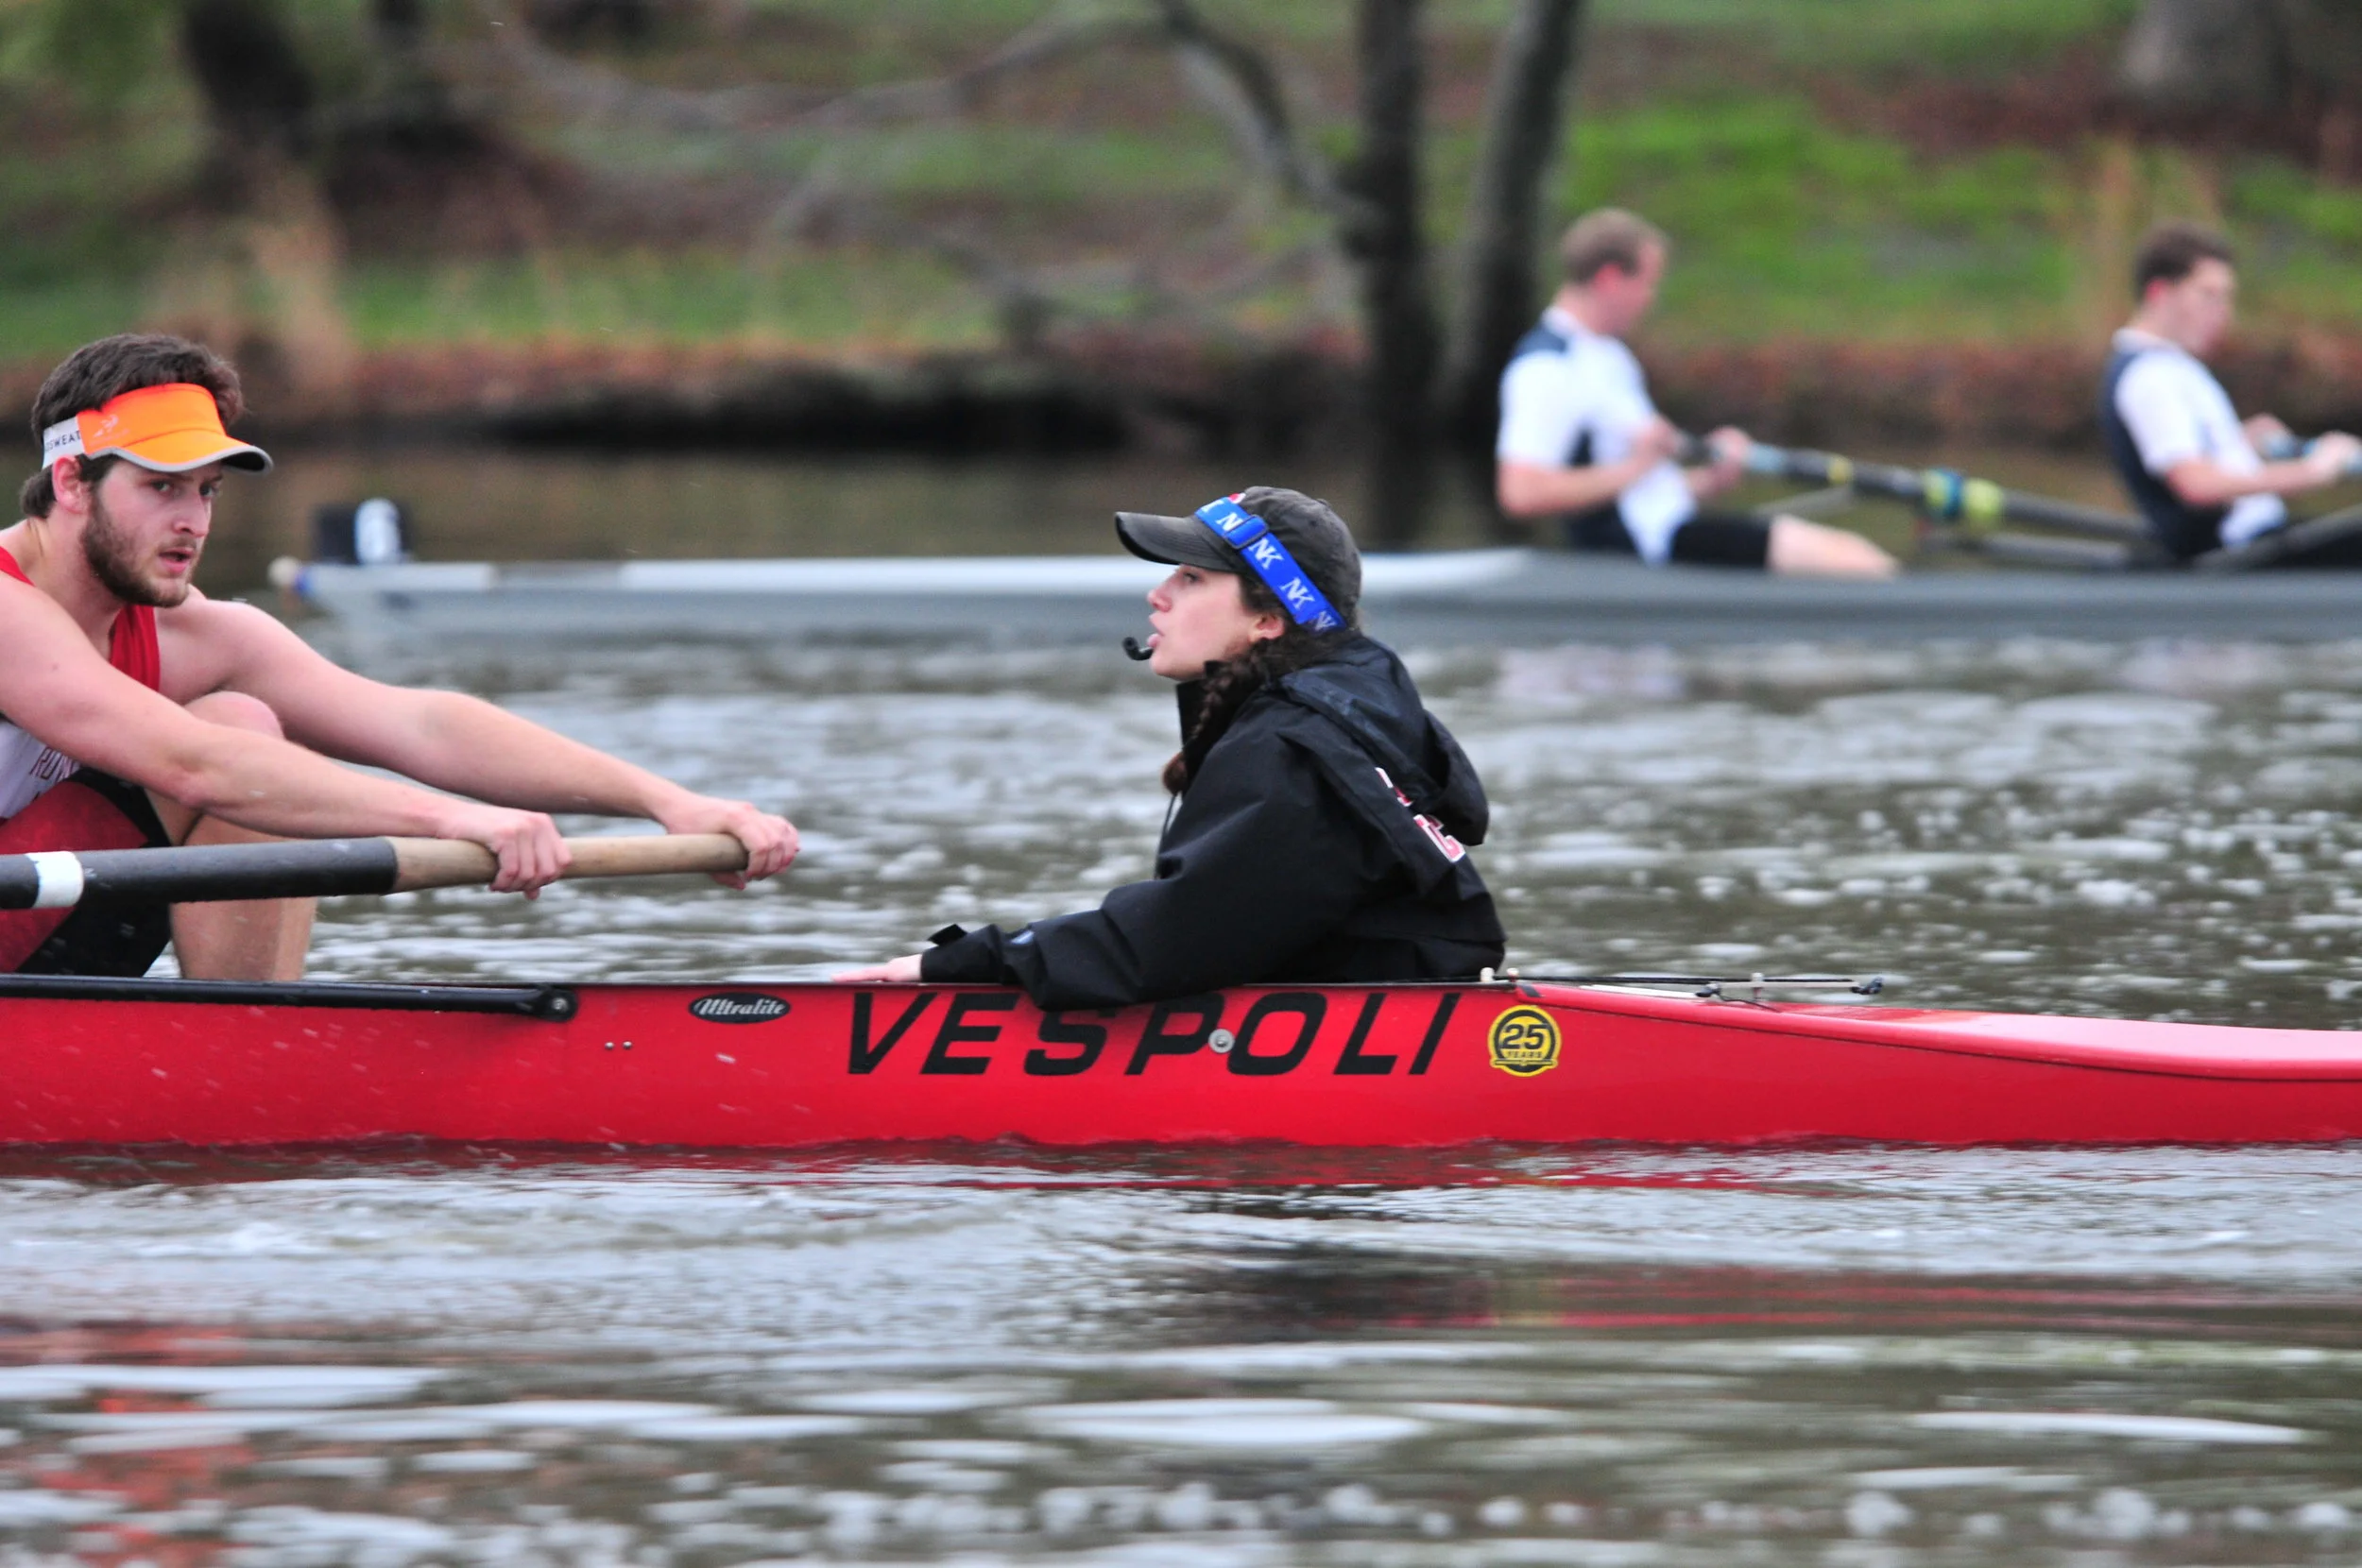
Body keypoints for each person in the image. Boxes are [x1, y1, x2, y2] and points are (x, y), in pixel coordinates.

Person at [0, 333, 797, 981]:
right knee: (233, 742)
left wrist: (671, 804)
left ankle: (245, 1054)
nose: (194, 522)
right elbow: (192, 765)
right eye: (162, 488)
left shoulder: (190, 634)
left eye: (208, 491)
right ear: (72, 483)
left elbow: (420, 726)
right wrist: (449, 821)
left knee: (253, 723)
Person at [839, 487, 1505, 1010]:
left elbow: (1170, 942)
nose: (1156, 596)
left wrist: (967, 961)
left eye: (1191, 579)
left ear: (1268, 621)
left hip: (1405, 1030)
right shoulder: (1329, 719)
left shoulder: (1292, 749)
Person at [1496, 208, 1897, 578]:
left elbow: (1640, 493)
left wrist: (1709, 480)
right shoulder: (1547, 367)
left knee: (1854, 554)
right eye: (1648, 283)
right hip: (1641, 550)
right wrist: (1637, 466)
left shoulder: (1608, 355)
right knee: (1852, 562)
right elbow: (1521, 493)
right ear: (1610, 280)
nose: (1650, 299)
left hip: (1665, 533)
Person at [2101, 221, 2362, 563]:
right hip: (2239, 559)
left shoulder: (2171, 365)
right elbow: (2197, 486)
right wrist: (2314, 470)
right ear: (2160, 294)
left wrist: (2235, 442)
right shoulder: (2150, 377)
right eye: (2208, 295)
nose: (2223, 314)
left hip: (2261, 545)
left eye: (2226, 298)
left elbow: (2185, 455)